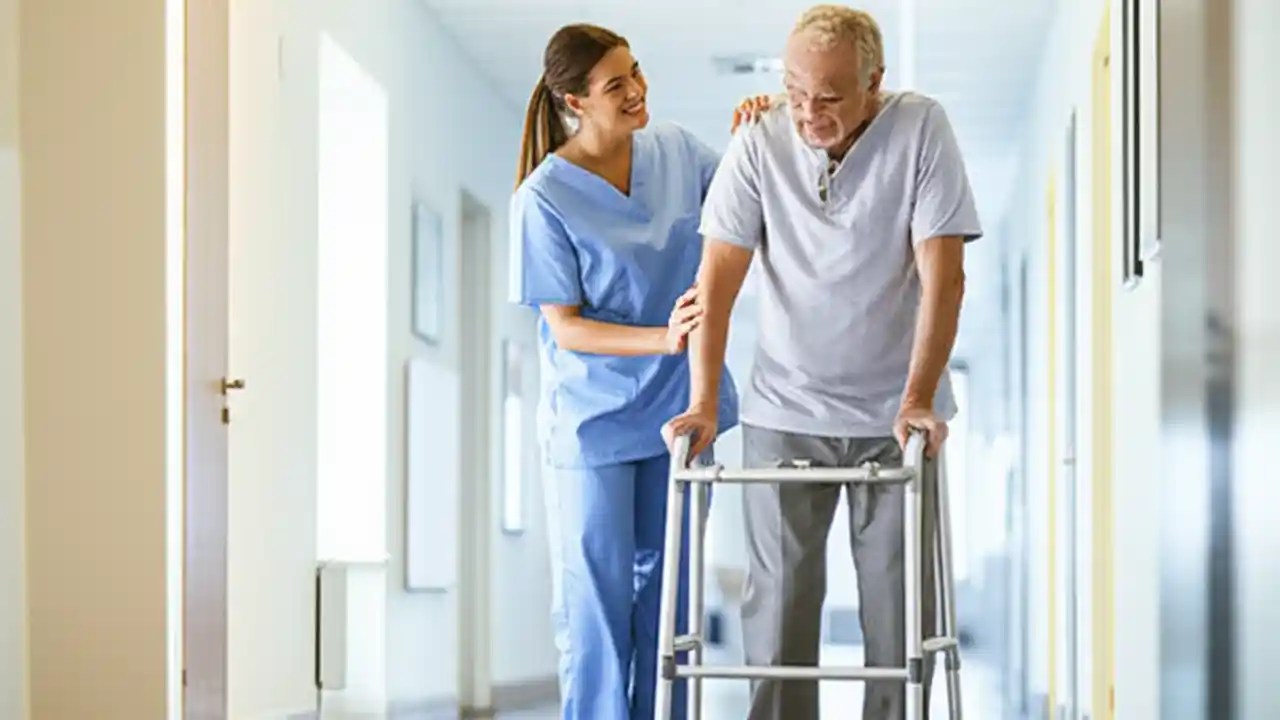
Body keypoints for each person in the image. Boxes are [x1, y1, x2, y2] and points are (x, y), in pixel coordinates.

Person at [665, 5, 982, 720]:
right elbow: (716, 282)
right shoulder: (758, 142)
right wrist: (705, 401)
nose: (808, 113)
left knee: (898, 616)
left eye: (830, 97)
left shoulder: (921, 128)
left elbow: (945, 278)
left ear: (875, 81)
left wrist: (919, 398)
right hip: (786, 408)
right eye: (795, 91)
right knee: (779, 611)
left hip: (893, 415)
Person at [509, 23, 769, 720]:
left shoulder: (677, 150)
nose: (636, 91)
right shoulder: (543, 198)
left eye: (636, 72)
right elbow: (566, 326)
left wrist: (750, 139)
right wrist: (665, 337)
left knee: (673, 597)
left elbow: (743, 205)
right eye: (615, 85)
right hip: (592, 422)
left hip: (679, 412)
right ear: (575, 101)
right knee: (596, 605)